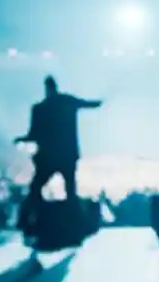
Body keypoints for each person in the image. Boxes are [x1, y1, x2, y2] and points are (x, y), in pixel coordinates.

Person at [14, 76, 102, 223]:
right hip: (67, 155)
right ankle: (74, 220)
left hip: (47, 157)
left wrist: (22, 139)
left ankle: (27, 219)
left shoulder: (40, 109)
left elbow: (34, 134)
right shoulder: (67, 102)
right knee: (70, 189)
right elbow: (90, 104)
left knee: (36, 187)